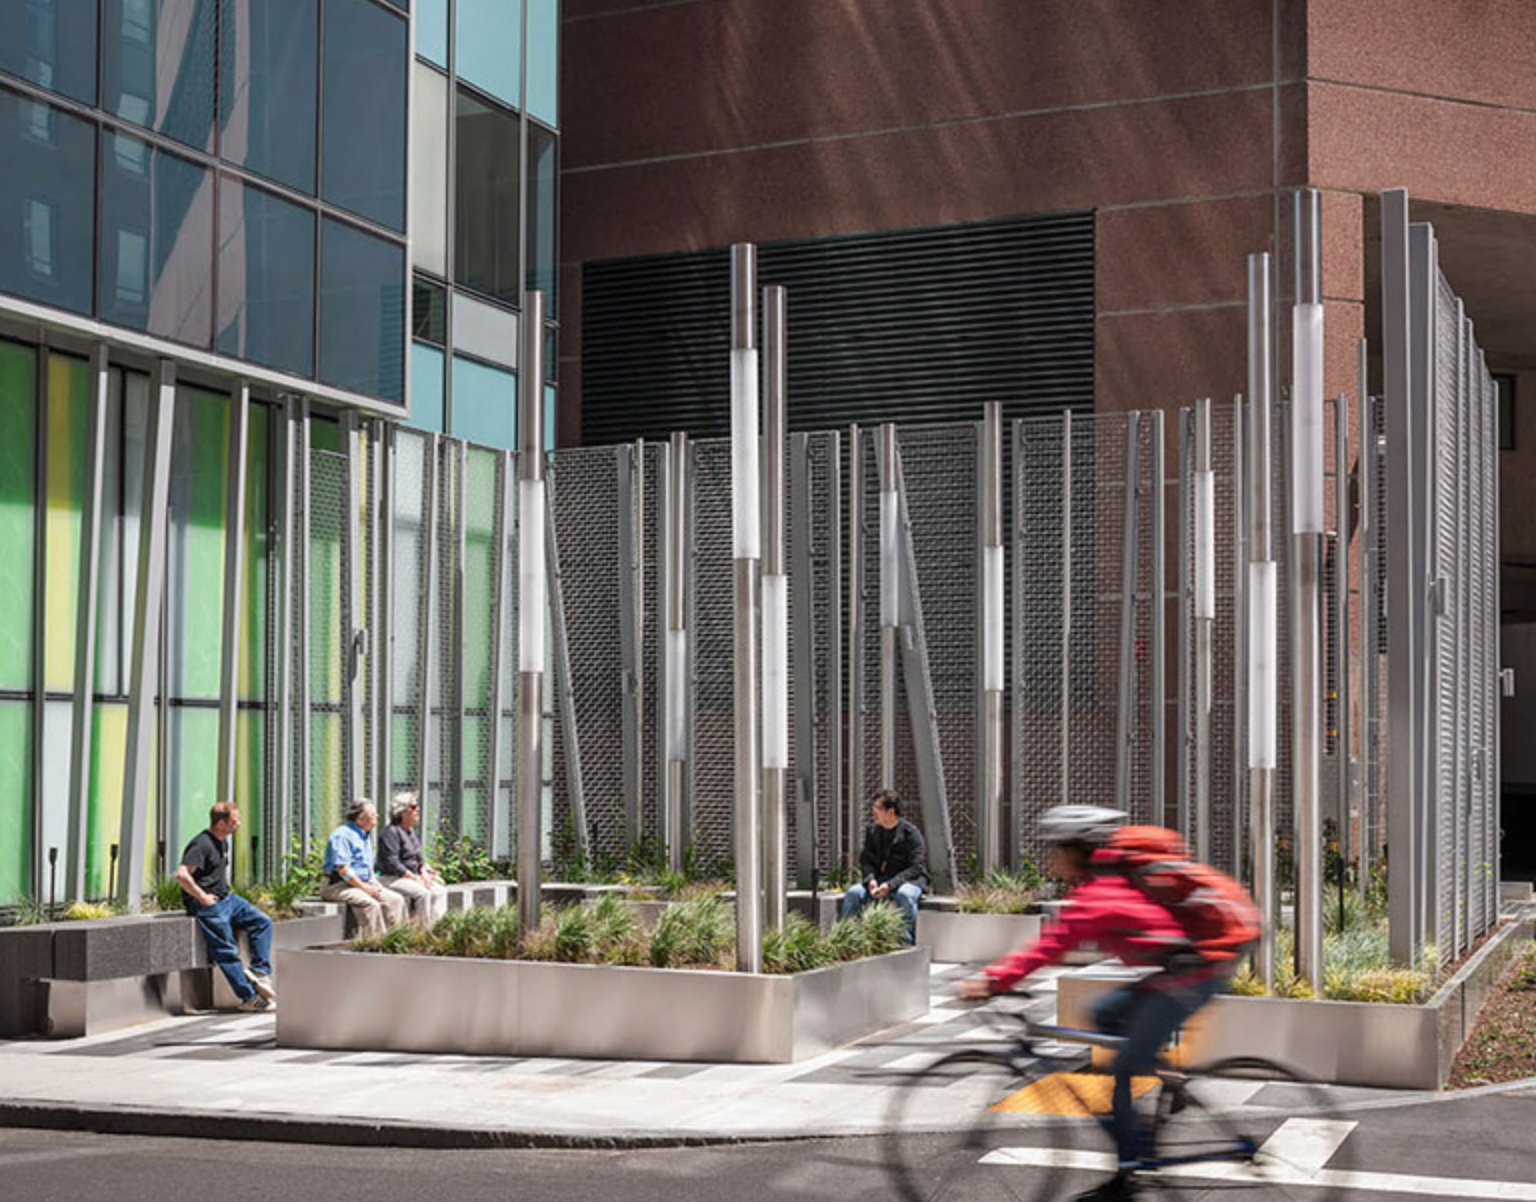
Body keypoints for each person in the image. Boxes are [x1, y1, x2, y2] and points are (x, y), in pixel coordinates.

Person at [959, 805, 1260, 1202]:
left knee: (1122, 1069)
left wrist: (992, 981)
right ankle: (1166, 1079)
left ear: (1074, 850)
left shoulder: (1099, 895)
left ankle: (1128, 1170)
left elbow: (1049, 946)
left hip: (1195, 974)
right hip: (1184, 969)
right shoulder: (1107, 882)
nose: (1051, 859)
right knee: (1103, 1013)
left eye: (1055, 850)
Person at [175, 801, 276, 1013]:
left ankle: (259, 972)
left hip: (227, 899)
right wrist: (203, 897)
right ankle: (249, 998)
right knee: (227, 950)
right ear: (221, 823)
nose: (239, 824)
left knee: (262, 922)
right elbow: (182, 874)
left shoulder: (222, 842)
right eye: (234, 821)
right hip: (209, 906)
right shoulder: (201, 843)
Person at [841, 790, 928, 943]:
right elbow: (866, 860)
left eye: (878, 808)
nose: (874, 811)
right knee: (854, 893)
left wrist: (890, 885)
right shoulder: (872, 831)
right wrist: (871, 880)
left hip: (909, 881)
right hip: (881, 880)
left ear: (891, 811)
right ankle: (849, 940)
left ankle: (905, 943)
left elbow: (916, 868)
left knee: (905, 895)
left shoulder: (911, 834)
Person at [321, 799, 408, 937]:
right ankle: (376, 942)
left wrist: (374, 885)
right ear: (361, 818)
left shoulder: (364, 836)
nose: (377, 816)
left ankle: (399, 939)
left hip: (362, 883)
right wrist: (365, 888)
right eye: (373, 814)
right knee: (371, 904)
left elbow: (367, 868)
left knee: (396, 900)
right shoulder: (342, 836)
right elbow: (343, 870)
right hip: (339, 885)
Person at [377, 792, 448, 925]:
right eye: (414, 807)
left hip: (411, 876)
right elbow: (393, 863)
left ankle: (437, 926)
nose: (418, 809)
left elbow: (419, 859)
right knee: (423, 893)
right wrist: (416, 878)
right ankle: (423, 930)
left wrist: (424, 873)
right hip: (392, 878)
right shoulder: (391, 832)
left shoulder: (410, 832)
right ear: (402, 811)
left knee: (439, 890)